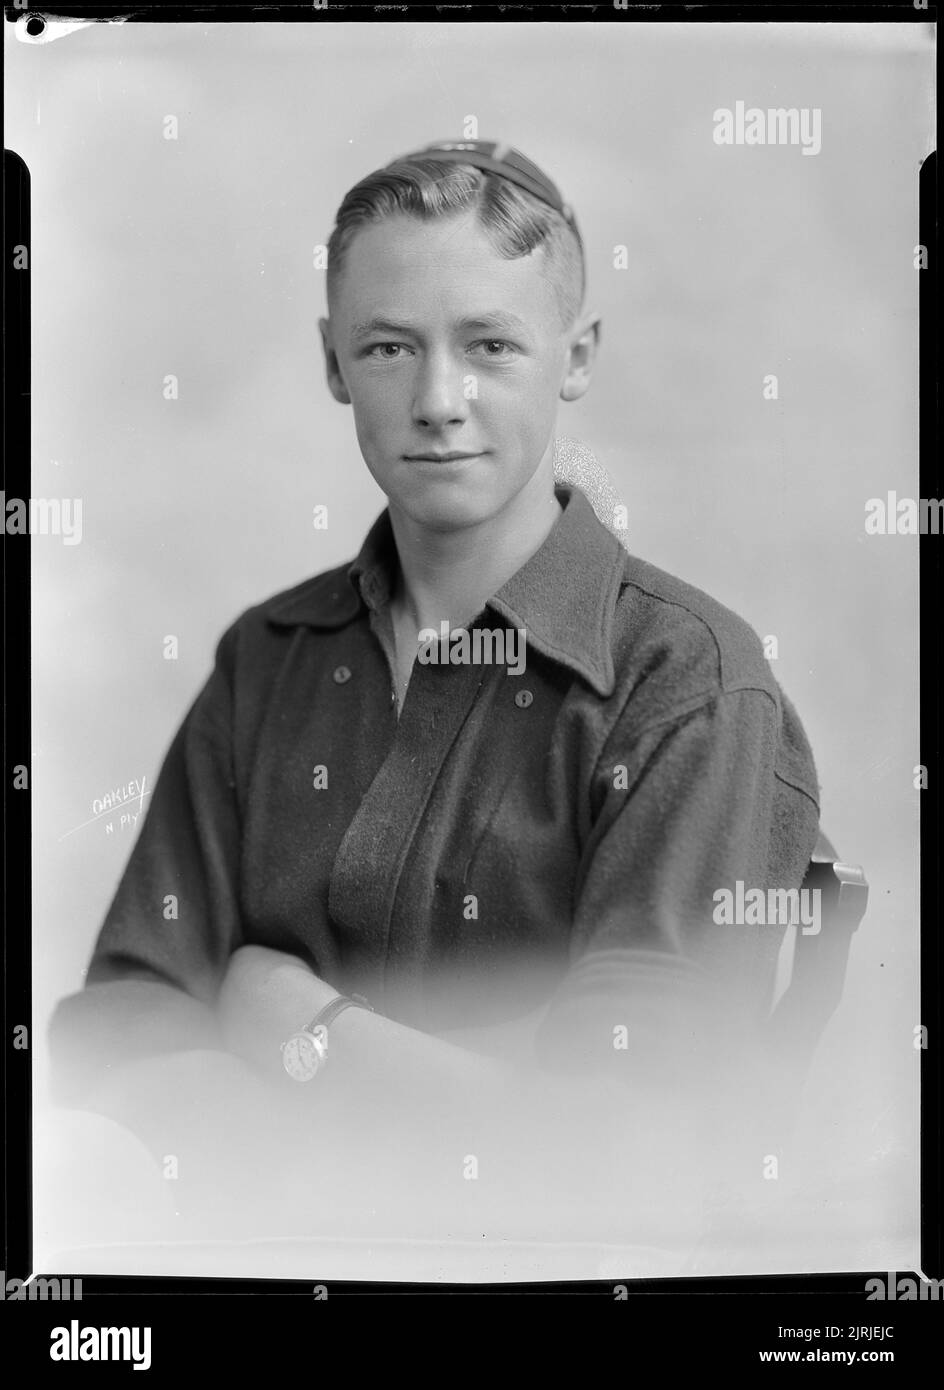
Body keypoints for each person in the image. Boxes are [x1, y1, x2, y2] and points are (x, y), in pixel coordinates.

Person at [48, 139, 821, 1251]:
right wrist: (456, 1094)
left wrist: (301, 1027)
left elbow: (639, 1147)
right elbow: (119, 1033)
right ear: (331, 361)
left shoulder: (685, 683)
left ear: (576, 355)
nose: (436, 400)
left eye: (489, 345)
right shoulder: (268, 659)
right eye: (388, 346)